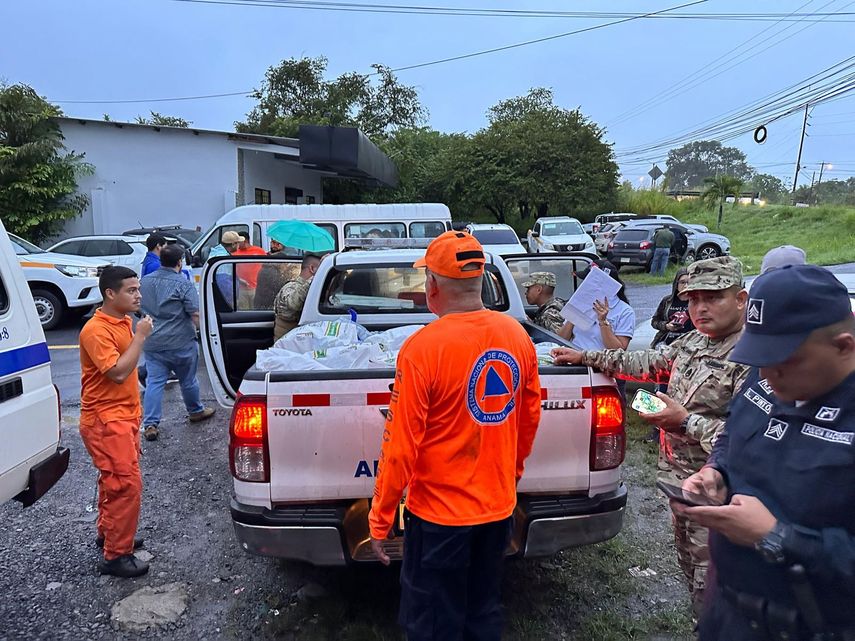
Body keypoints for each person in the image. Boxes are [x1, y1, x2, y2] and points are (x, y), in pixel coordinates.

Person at [551, 256, 750, 618]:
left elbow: (752, 443)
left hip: (722, 497)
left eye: (712, 297)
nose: (699, 308)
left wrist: (685, 421)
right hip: (679, 487)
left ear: (741, 298)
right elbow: (645, 362)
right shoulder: (693, 341)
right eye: (691, 299)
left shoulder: (753, 356)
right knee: (693, 577)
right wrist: (586, 356)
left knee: (719, 593)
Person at [368, 230, 541, 641]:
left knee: (432, 621)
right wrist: (509, 477)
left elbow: (399, 447)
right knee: (483, 610)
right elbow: (529, 421)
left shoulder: (422, 349)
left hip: (440, 519)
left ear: (432, 286)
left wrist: (380, 519)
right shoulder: (518, 337)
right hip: (497, 510)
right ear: (481, 281)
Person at [675, 265, 855, 641]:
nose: (768, 374)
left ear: (843, 346)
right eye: (761, 357)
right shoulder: (769, 372)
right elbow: (734, 433)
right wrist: (716, 471)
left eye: (784, 361)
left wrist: (777, 536)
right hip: (727, 614)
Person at [78, 266, 152, 578]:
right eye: (131, 290)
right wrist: (141, 337)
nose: (138, 295)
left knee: (115, 482)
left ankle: (111, 533)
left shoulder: (123, 321)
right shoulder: (96, 331)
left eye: (138, 289)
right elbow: (118, 372)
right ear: (110, 293)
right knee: (126, 485)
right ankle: (116, 555)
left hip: (124, 416)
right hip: (106, 421)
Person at [139, 244, 215, 442]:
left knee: (154, 381)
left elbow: (137, 306)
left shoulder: (144, 282)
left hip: (153, 341)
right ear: (179, 262)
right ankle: (195, 411)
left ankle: (150, 424)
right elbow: (195, 312)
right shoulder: (183, 284)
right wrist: (206, 334)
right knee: (188, 379)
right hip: (181, 341)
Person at [556, 259, 635, 352]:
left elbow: (618, 352)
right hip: (572, 360)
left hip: (599, 363)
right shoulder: (581, 301)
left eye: (587, 282)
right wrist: (574, 314)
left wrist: (603, 322)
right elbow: (560, 341)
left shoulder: (624, 311)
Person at [272, 254, 321, 340]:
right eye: (320, 269)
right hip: (285, 347)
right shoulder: (291, 287)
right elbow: (293, 304)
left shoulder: (313, 290)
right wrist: (314, 279)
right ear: (312, 269)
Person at [650, 267, 694, 350]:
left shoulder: (697, 301)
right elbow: (654, 321)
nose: (686, 286)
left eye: (689, 282)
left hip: (689, 343)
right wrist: (666, 326)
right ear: (676, 284)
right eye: (682, 282)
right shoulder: (667, 301)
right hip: (666, 341)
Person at [253, 239, 291, 309]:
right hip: (266, 305)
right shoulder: (272, 272)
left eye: (279, 243)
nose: (275, 245)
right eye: (273, 242)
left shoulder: (267, 267)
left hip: (261, 304)